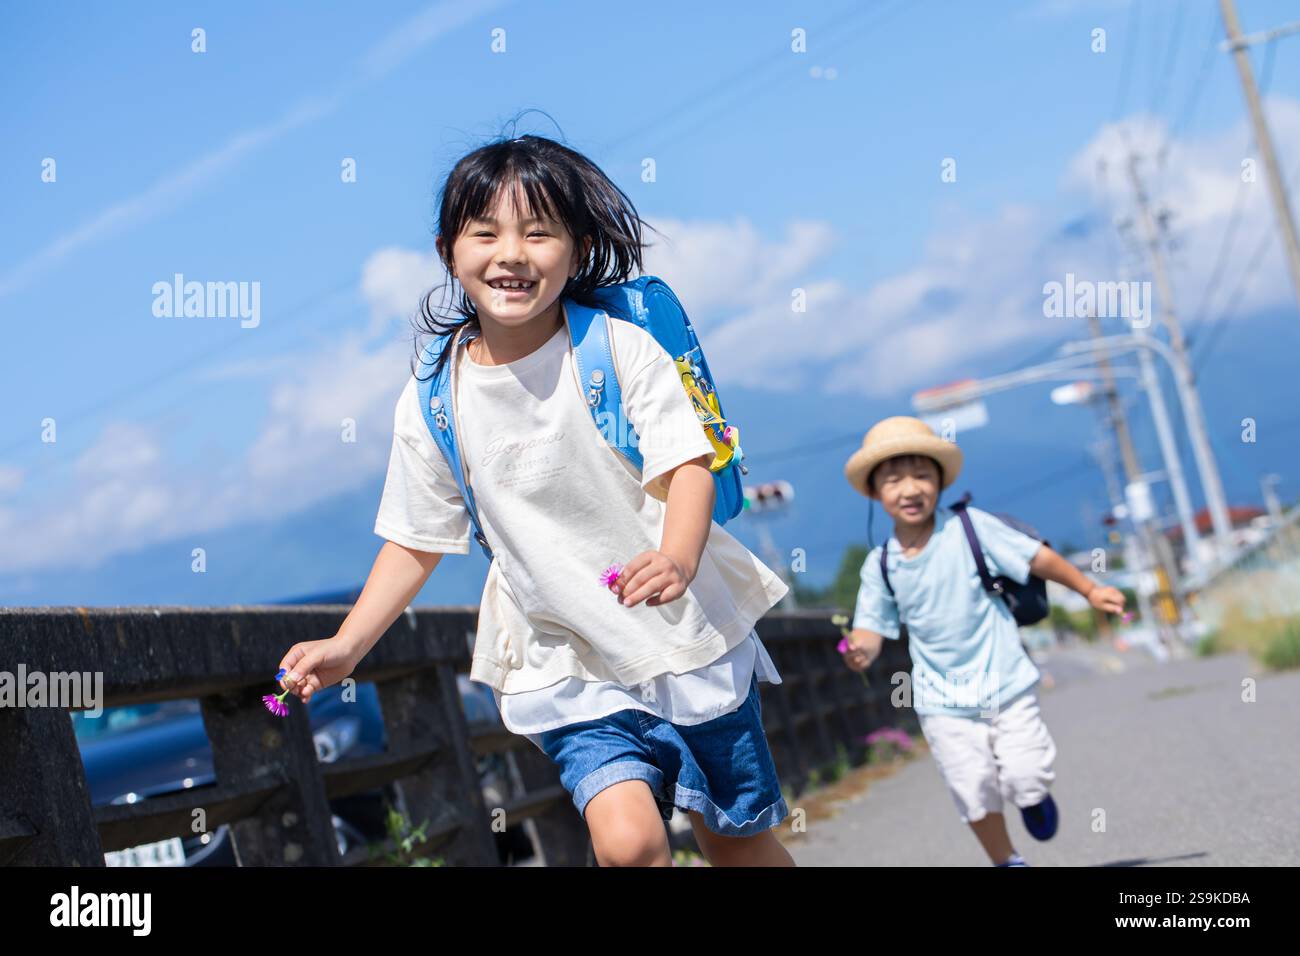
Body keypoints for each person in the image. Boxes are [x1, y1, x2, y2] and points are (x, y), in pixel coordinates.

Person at [275, 133, 794, 867]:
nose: (510, 255)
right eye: (484, 233)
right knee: (629, 844)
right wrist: (347, 644)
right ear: (448, 250)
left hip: (687, 639)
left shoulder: (617, 350)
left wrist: (677, 558)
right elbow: (416, 539)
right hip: (567, 658)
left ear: (577, 250)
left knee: (737, 842)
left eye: (538, 232)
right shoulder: (434, 397)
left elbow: (690, 465)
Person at [839, 416, 1126, 866]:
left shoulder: (970, 528)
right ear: (876, 493)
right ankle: (1006, 860)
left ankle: (1032, 797)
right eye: (894, 480)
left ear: (940, 481)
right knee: (972, 787)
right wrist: (860, 650)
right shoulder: (880, 565)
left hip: (1005, 683)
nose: (910, 489)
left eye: (921, 475)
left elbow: (1037, 557)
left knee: (1026, 774)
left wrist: (1090, 590)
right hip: (940, 700)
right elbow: (871, 627)